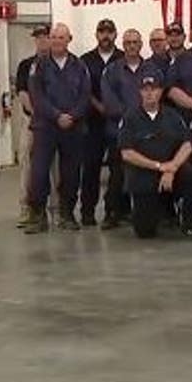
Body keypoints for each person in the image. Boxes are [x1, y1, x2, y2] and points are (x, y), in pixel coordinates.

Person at [117, 72, 192, 240]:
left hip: (172, 169)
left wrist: (172, 167)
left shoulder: (173, 116)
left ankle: (190, 224)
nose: (150, 93)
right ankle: (159, 213)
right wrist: (159, 166)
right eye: (145, 89)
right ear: (140, 92)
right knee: (145, 232)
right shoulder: (130, 118)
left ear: (161, 92)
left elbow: (187, 144)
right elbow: (127, 153)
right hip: (144, 173)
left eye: (154, 89)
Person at [26, 23, 90, 234]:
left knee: (71, 174)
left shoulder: (80, 66)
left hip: (73, 128)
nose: (56, 41)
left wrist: (72, 115)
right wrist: (56, 116)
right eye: (53, 37)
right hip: (45, 127)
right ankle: (37, 215)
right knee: (38, 172)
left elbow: (85, 96)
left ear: (69, 39)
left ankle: (67, 213)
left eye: (61, 37)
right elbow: (37, 96)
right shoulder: (39, 66)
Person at [98, 28, 155, 229]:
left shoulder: (151, 69)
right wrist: (131, 118)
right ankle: (112, 213)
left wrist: (143, 120)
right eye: (128, 43)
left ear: (141, 45)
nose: (132, 46)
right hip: (119, 131)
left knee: (145, 173)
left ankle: (144, 213)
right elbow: (109, 99)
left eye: (135, 43)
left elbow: (155, 96)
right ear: (123, 46)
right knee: (117, 174)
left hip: (147, 132)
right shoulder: (112, 71)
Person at [79, 18, 120, 227]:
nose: (106, 35)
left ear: (115, 34)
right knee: (91, 168)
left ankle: (113, 211)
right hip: (92, 122)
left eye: (109, 32)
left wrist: (113, 109)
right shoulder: (85, 60)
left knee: (117, 168)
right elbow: (83, 89)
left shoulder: (122, 58)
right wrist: (98, 106)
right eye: (102, 31)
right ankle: (87, 211)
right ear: (96, 35)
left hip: (116, 123)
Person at [15, 24, 54, 228]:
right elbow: (22, 93)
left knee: (55, 168)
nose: (42, 41)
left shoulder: (58, 64)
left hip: (54, 122)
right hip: (32, 120)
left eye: (45, 36)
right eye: (38, 37)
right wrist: (36, 113)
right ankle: (27, 208)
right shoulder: (26, 65)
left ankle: (54, 210)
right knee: (28, 166)